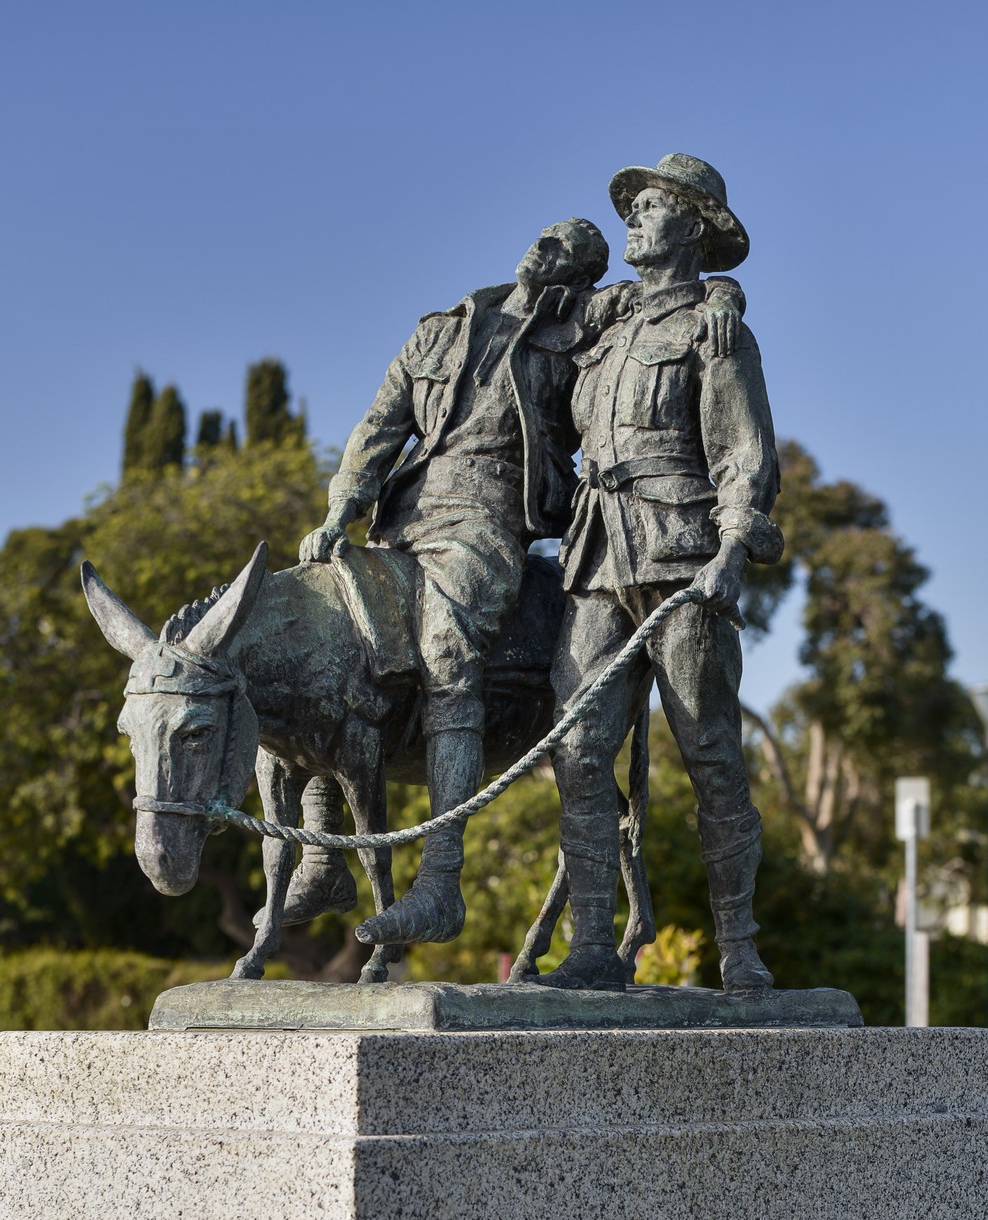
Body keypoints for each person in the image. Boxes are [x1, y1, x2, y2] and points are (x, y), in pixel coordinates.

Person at [297, 218, 610, 946]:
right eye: (545, 235)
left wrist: (720, 296)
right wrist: (340, 513)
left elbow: (662, 303)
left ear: (580, 278)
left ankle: (440, 884)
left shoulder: (581, 336)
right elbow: (378, 427)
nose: (544, 246)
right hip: (401, 514)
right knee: (319, 640)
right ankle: (320, 855)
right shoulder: (441, 328)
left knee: (447, 650)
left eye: (566, 248)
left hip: (488, 513)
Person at [544, 153, 783, 991]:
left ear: (694, 224)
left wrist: (731, 551)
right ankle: (588, 947)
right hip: (595, 557)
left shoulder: (714, 331)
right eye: (633, 207)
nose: (632, 219)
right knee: (578, 749)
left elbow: (744, 453)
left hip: (680, 555)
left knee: (709, 752)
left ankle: (738, 947)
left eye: (650, 206)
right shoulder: (604, 330)